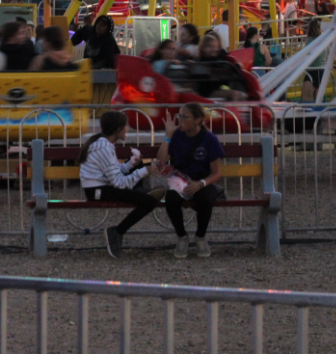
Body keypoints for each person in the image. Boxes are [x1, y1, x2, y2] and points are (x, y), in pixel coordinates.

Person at [78, 111, 162, 258]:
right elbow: (118, 182)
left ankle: (140, 193)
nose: (127, 130)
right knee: (149, 202)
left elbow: (113, 173)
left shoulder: (103, 143)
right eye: (125, 127)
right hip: (98, 192)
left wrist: (131, 164)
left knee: (140, 176)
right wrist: (144, 171)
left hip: (100, 187)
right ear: (117, 130)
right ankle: (116, 232)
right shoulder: (104, 147)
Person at [156, 104, 225, 258]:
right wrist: (168, 135)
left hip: (202, 181)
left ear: (198, 120)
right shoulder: (177, 136)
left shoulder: (209, 139)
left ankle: (200, 237)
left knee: (205, 198)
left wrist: (200, 183)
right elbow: (161, 161)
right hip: (181, 181)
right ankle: (181, 236)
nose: (180, 119)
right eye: (179, 115)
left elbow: (216, 172)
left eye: (184, 116)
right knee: (171, 198)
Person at [300, 19, 327, 102]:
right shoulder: (324, 39)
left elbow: (308, 55)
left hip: (312, 70)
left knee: (306, 99)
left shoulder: (310, 40)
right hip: (322, 70)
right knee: (318, 99)